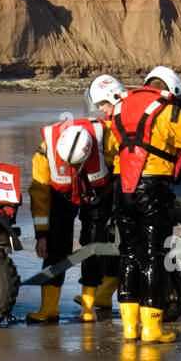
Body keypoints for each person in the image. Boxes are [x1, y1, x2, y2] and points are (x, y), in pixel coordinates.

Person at [105, 66, 181, 343]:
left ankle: (129, 328)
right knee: (154, 255)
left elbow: (111, 145)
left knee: (128, 252)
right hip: (153, 185)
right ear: (172, 90)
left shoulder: (118, 107)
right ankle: (151, 328)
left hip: (121, 185)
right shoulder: (170, 111)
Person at [26, 85, 119, 322]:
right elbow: (39, 193)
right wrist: (41, 234)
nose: (76, 170)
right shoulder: (45, 151)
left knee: (94, 246)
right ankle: (49, 308)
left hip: (97, 196)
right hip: (62, 196)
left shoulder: (105, 139)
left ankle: (88, 307)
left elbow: (123, 163)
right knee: (56, 249)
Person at [84, 74, 127, 311]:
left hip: (125, 185)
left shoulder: (119, 122)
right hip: (118, 185)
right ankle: (103, 293)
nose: (101, 110)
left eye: (102, 104)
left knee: (120, 240)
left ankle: (105, 293)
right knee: (114, 237)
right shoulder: (117, 120)